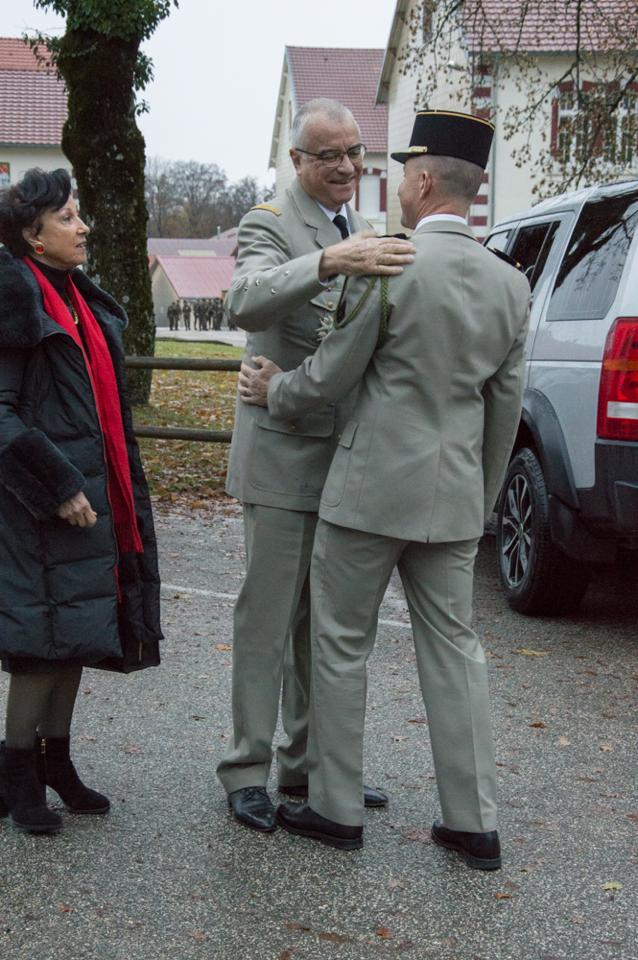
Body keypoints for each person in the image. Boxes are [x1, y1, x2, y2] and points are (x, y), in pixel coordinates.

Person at [237, 110, 531, 868]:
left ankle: (334, 806)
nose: (391, 183)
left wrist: (278, 393)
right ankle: (473, 823)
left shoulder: (392, 263)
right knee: (457, 653)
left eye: (400, 171)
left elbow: (337, 368)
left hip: (366, 491)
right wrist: (483, 499)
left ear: (424, 180)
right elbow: (504, 409)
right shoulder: (512, 283)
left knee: (338, 645)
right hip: (456, 499)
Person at [218, 97, 416, 832]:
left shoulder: (361, 228)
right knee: (267, 621)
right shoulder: (271, 222)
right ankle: (245, 768)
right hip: (279, 458)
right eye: (326, 154)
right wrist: (333, 259)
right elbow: (243, 297)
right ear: (298, 161)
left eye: (353, 151)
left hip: (341, 457)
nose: (344, 166)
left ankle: (306, 767)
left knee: (320, 625)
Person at [0, 168, 162, 834]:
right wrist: (58, 484)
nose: (83, 226)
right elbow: (2, 413)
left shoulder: (72, 298)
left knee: (76, 636)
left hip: (93, 497)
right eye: (67, 217)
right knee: (42, 644)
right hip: (41, 507)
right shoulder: (15, 299)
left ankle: (55, 762)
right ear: (33, 237)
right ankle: (15, 772)